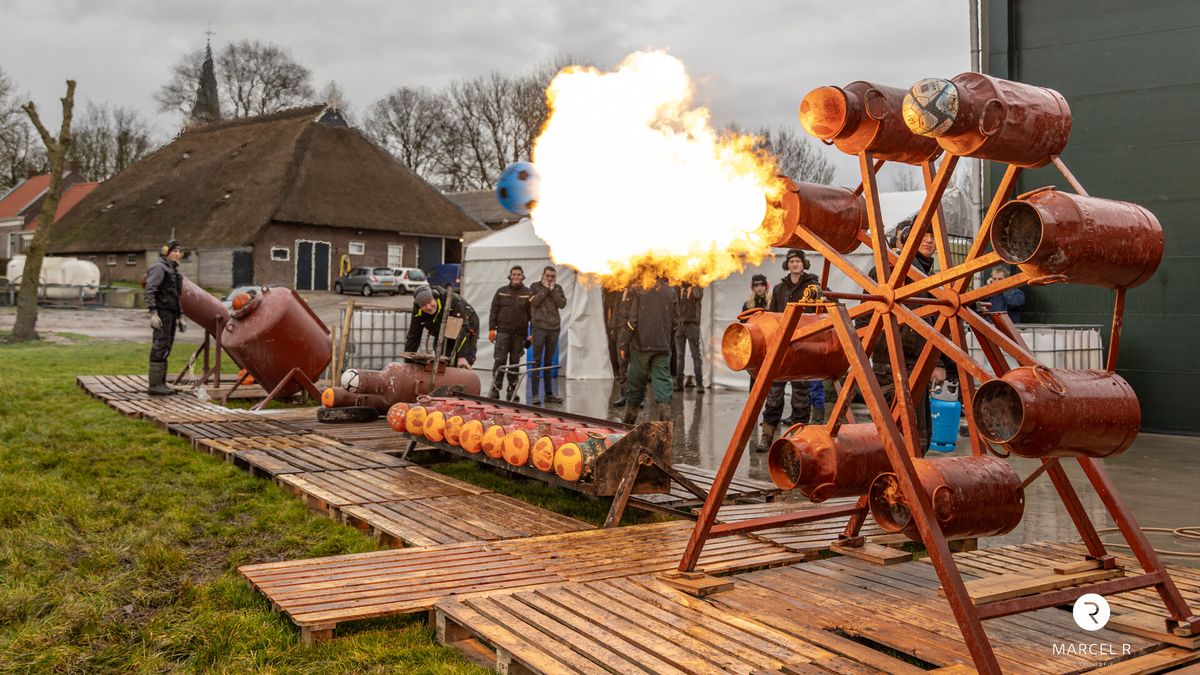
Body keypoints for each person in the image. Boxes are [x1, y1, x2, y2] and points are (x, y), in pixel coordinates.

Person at [862, 221, 948, 454]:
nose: (929, 240)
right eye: (923, 235)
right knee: (908, 437)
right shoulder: (895, 269)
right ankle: (899, 486)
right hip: (895, 363)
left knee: (916, 435)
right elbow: (913, 321)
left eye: (932, 236)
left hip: (910, 362)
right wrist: (936, 363)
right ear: (907, 240)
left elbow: (928, 318)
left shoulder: (923, 273)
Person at [757, 249, 823, 452]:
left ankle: (798, 441)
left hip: (804, 347)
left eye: (798, 261)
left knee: (801, 398)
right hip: (782, 349)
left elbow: (820, 314)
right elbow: (772, 315)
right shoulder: (779, 289)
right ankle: (767, 437)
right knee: (774, 395)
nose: (794, 264)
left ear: (804, 264)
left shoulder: (813, 287)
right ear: (788, 265)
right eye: (791, 261)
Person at [620, 276, 678, 424]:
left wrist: (623, 344)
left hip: (641, 347)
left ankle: (627, 425)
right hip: (662, 347)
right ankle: (664, 428)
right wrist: (667, 344)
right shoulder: (671, 292)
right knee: (663, 386)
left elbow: (632, 322)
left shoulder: (639, 290)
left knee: (636, 386)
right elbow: (675, 323)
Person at [145, 239, 187, 395]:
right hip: (162, 313)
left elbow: (176, 296)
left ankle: (161, 384)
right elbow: (150, 290)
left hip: (171, 313)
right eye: (174, 251)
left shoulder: (174, 271)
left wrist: (180, 316)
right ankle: (154, 385)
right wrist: (154, 313)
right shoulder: (159, 268)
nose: (177, 254)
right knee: (160, 346)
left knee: (166, 347)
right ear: (166, 252)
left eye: (179, 251)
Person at [487, 265, 533, 401]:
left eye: (519, 274)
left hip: (520, 334)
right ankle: (495, 388)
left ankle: (511, 389)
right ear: (510, 276)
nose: (516, 277)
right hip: (502, 332)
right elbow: (493, 311)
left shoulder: (528, 293)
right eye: (514, 274)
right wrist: (491, 329)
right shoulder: (501, 291)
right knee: (500, 360)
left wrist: (532, 333)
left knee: (514, 361)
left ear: (522, 276)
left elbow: (532, 315)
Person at [405, 285, 479, 368]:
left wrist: (462, 357)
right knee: (441, 360)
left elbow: (463, 328)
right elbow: (413, 335)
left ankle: (463, 373)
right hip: (441, 328)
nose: (428, 307)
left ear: (434, 297)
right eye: (424, 305)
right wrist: (407, 362)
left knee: (462, 359)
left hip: (467, 325)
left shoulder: (451, 301)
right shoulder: (418, 311)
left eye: (429, 302)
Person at [530, 265, 567, 404]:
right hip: (539, 328)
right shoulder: (534, 286)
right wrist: (545, 289)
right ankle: (534, 393)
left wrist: (552, 291)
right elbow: (534, 302)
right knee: (536, 361)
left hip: (554, 328)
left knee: (548, 361)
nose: (550, 278)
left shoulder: (557, 288)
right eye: (548, 276)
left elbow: (562, 304)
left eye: (552, 276)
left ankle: (549, 393)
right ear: (543, 275)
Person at [673, 281, 705, 392]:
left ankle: (700, 384)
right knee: (679, 357)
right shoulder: (677, 289)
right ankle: (678, 383)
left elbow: (697, 295)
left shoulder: (697, 288)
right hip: (680, 326)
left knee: (696, 356)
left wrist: (694, 282)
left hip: (692, 325)